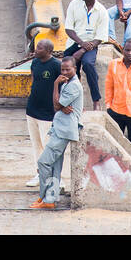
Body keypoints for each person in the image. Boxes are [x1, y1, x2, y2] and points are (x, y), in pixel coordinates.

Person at [33, 54, 82, 209]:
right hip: (61, 128)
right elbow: (59, 105)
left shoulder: (73, 85)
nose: (65, 72)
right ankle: (50, 200)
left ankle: (43, 196)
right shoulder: (68, 83)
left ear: (75, 68)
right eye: (62, 69)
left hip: (63, 131)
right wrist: (61, 105)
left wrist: (55, 85)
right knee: (55, 166)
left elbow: (55, 105)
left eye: (68, 69)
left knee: (43, 162)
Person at [64, 0, 109, 111]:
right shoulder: (74, 4)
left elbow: (100, 37)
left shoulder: (101, 11)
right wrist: (80, 43)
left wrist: (83, 49)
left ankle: (96, 100)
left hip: (91, 45)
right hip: (75, 42)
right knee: (69, 67)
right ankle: (74, 101)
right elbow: (68, 29)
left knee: (88, 64)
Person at [23, 38, 62, 188]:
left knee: (48, 146)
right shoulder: (35, 62)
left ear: (48, 51)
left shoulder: (56, 66)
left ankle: (51, 176)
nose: (35, 50)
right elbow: (34, 81)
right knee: (36, 145)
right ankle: (39, 173)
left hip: (47, 114)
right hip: (32, 111)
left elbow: (64, 86)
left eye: (39, 48)